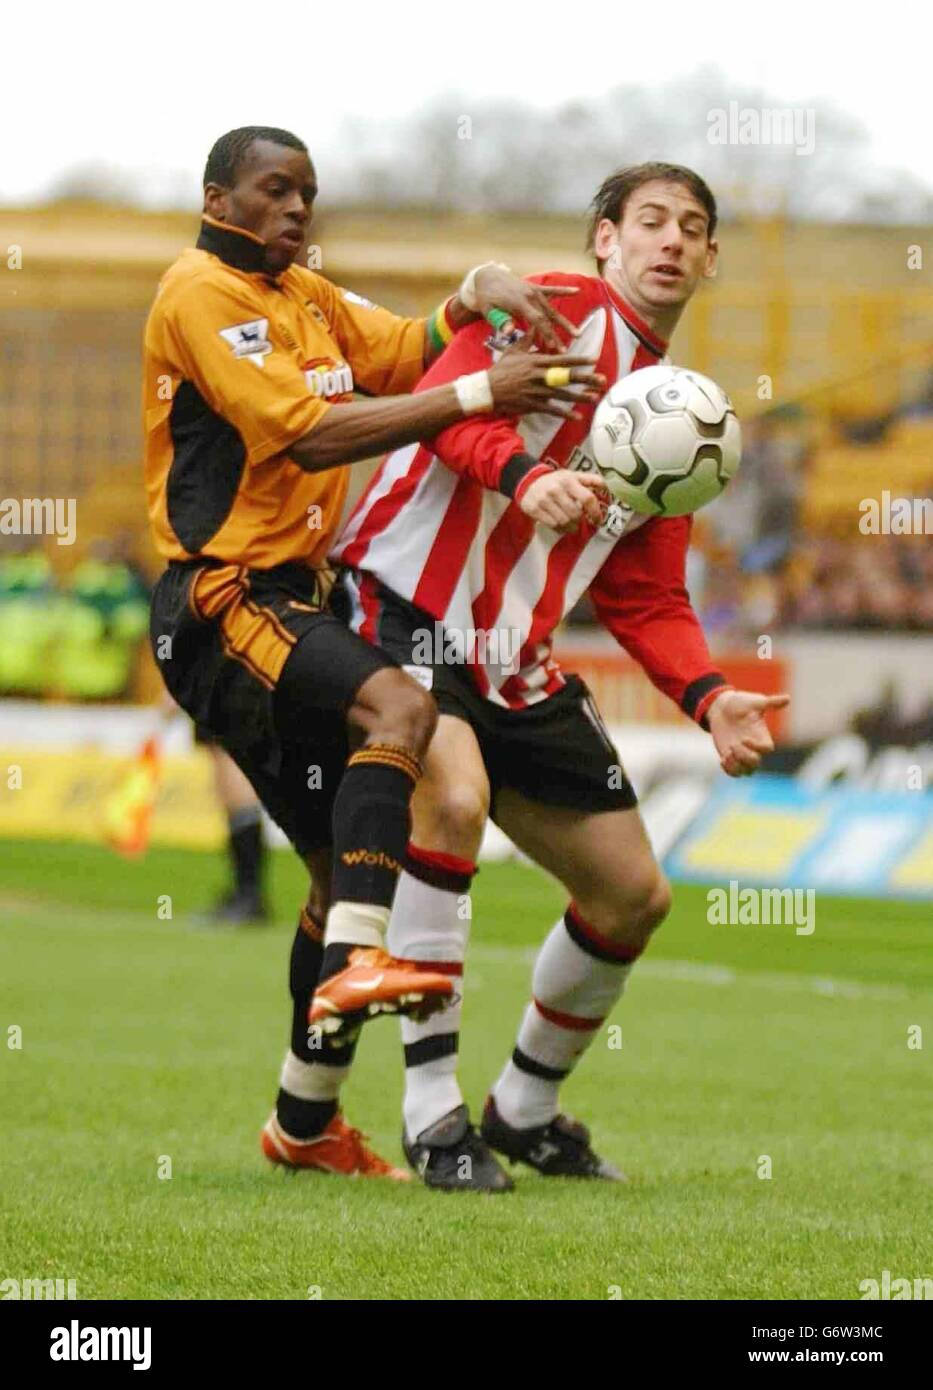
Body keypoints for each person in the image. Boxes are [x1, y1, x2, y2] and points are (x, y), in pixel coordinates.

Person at [142, 124, 603, 1179]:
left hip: (283, 599)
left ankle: (302, 1122)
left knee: (327, 870)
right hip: (226, 599)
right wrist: (484, 393)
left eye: (306, 191)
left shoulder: (304, 293)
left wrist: (475, 294)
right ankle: (357, 957)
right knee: (401, 713)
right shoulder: (200, 293)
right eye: (274, 190)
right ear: (219, 196)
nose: (297, 208)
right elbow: (306, 433)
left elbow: (403, 348)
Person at [327, 162, 790, 1189]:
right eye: (651, 221)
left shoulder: (679, 415)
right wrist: (526, 473)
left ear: (711, 259)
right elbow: (437, 409)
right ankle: (432, 1114)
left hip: (515, 660)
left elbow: (646, 595)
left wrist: (711, 698)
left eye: (693, 229)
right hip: (404, 611)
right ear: (604, 239)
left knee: (632, 894)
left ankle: (525, 1109)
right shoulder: (553, 310)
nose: (671, 240)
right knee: (453, 797)